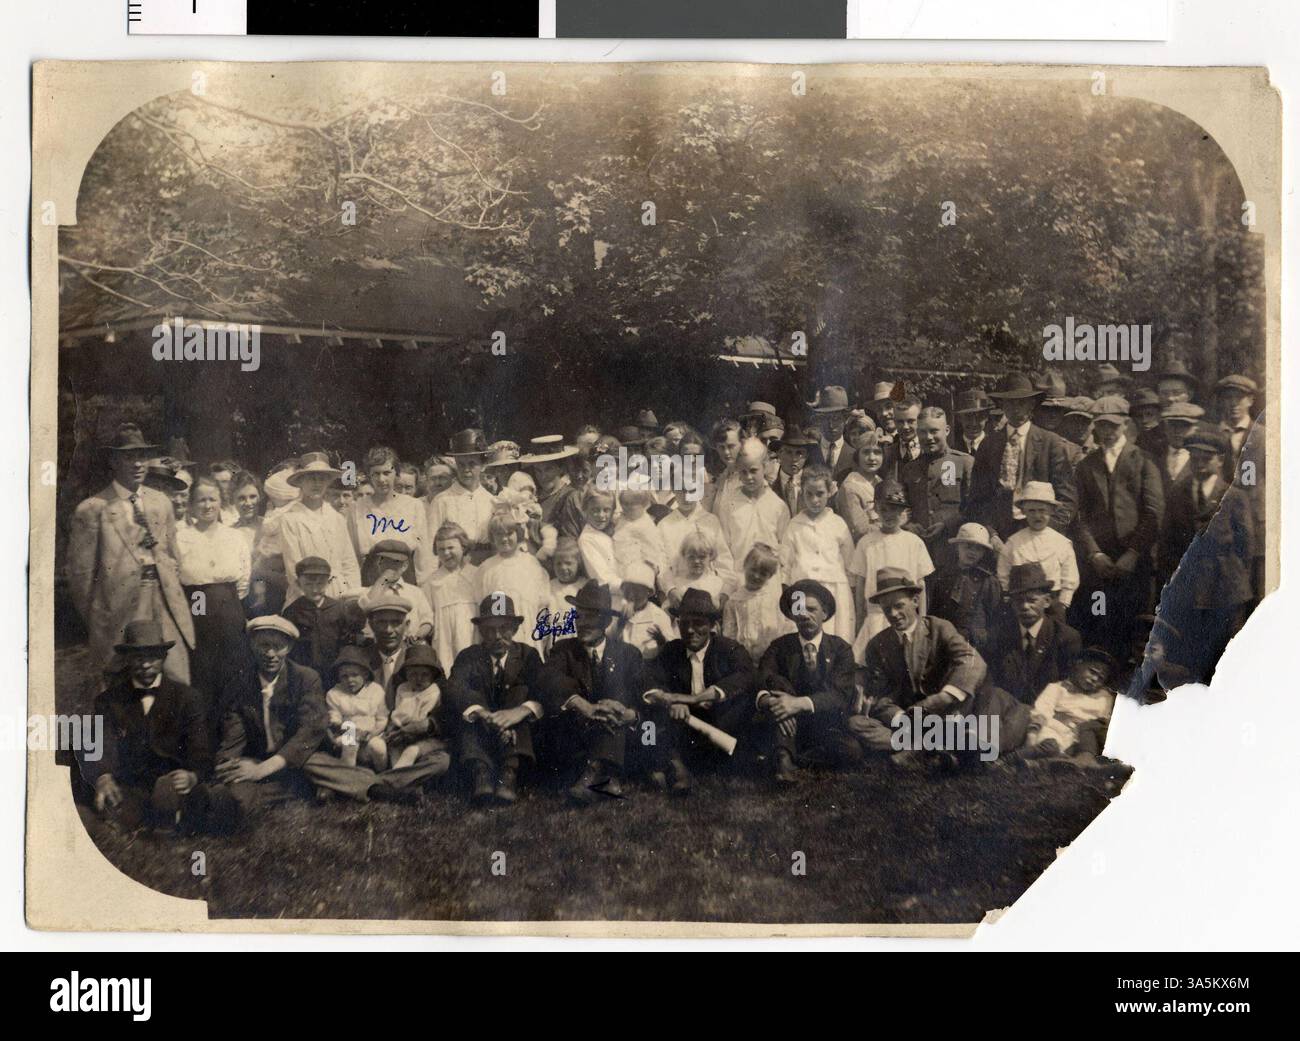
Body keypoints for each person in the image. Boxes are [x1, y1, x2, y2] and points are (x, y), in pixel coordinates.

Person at [206, 616, 416, 832]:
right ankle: (298, 789)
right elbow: (234, 733)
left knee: (312, 763)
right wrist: (229, 766)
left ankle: (378, 790)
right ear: (252, 645)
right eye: (264, 645)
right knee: (239, 787)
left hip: (299, 756)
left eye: (278, 647)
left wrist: (263, 769)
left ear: (289, 648)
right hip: (261, 758)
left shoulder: (305, 678)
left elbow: (309, 732)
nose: (271, 654)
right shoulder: (241, 683)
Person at [848, 568, 1029, 765]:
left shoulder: (938, 628)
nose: (893, 614)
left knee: (994, 704)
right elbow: (879, 694)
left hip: (947, 712)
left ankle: (925, 747)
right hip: (909, 720)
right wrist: (901, 717)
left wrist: (945, 696)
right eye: (887, 609)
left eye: (899, 606)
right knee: (856, 723)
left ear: (915, 601)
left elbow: (971, 659)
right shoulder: (877, 644)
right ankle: (931, 745)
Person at [67, 423, 195, 686]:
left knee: (177, 678)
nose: (138, 464)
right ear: (113, 461)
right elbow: (81, 579)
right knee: (124, 683)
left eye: (142, 456)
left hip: (163, 600)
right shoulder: (93, 509)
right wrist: (102, 618)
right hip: (120, 611)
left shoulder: (161, 502)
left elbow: (173, 556)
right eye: (129, 457)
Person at [76, 619, 212, 834]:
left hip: (172, 783)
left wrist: (192, 775)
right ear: (127, 659)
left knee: (187, 801)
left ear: (164, 657)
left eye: (152, 657)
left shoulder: (187, 697)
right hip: (130, 784)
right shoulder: (109, 700)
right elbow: (102, 741)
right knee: (108, 817)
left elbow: (201, 749)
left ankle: (168, 815)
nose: (146, 664)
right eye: (139, 657)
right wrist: (103, 776)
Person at [1158, 424, 1255, 682]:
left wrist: (1234, 577)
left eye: (1206, 458)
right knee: (1191, 648)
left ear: (1220, 459)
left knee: (1228, 647)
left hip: (1226, 585)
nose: (1200, 464)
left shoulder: (1233, 495)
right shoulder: (1178, 493)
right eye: (1194, 458)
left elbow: (1246, 546)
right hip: (1190, 585)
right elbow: (1167, 541)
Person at [537, 581, 647, 804]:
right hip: (580, 733)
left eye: (591, 617)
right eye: (578, 616)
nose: (583, 623)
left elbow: (642, 692)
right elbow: (548, 679)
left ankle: (594, 773)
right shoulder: (563, 650)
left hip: (620, 730)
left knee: (616, 712)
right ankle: (609, 778)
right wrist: (582, 705)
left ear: (607, 621)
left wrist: (630, 713)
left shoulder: (628, 653)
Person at [1070, 396, 1163, 650]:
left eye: (1113, 425)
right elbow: (1079, 516)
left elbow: (1154, 512)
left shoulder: (1144, 460)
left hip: (1135, 563)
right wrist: (1094, 554)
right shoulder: (1086, 465)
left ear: (1125, 424)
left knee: (1134, 623)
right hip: (1100, 565)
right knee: (1100, 619)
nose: (1107, 432)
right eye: (1101, 426)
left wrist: (1133, 554)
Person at [642, 588, 756, 795]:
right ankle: (675, 766)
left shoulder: (729, 649)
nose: (690, 630)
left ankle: (668, 764)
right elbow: (651, 678)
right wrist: (672, 701)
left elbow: (745, 676)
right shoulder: (672, 650)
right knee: (651, 717)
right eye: (684, 623)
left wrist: (696, 698)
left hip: (721, 725)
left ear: (713, 626)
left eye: (698, 623)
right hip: (684, 725)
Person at [755, 580, 864, 782]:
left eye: (812, 609)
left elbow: (840, 695)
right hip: (787, 722)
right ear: (792, 615)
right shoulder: (780, 646)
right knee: (777, 683)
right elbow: (763, 677)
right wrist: (773, 703)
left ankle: (789, 756)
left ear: (825, 613)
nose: (805, 615)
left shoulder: (841, 649)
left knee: (851, 751)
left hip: (825, 722)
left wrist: (798, 704)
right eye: (799, 610)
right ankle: (785, 760)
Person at [448, 594, 546, 805]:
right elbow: (455, 687)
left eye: (504, 628)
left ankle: (509, 773)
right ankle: (480, 772)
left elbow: (542, 690)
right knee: (468, 710)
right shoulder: (469, 656)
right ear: (481, 631)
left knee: (521, 693)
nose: (498, 635)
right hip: (482, 727)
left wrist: (517, 713)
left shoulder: (528, 655)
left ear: (515, 629)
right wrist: (482, 712)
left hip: (517, 731)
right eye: (490, 630)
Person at [175, 474, 252, 737]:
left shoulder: (234, 537)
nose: (207, 506)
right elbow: (180, 578)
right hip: (197, 605)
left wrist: (225, 605)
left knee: (233, 669)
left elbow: (243, 580)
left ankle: (232, 740)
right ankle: (203, 739)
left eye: (212, 499)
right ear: (191, 505)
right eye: (201, 500)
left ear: (221, 501)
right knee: (203, 670)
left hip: (229, 606)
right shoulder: (182, 537)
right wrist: (202, 613)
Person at [969, 373, 1077, 538]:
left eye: (1022, 402)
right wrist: (990, 533)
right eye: (1010, 403)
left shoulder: (1051, 443)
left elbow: (1067, 499)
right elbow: (978, 498)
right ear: (1002, 405)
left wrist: (1046, 532)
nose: (1016, 408)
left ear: (1031, 404)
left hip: (1040, 532)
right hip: (998, 533)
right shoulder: (989, 445)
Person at [849, 480, 933, 654]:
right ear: (876, 510)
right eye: (884, 509)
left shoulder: (913, 542)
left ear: (903, 512)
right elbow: (861, 585)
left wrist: (922, 619)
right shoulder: (867, 543)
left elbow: (921, 585)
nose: (888, 515)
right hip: (876, 616)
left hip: (907, 616)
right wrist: (859, 619)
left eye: (894, 509)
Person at [778, 463, 856, 643]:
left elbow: (850, 564)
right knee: (801, 638)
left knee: (835, 638)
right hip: (800, 591)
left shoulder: (838, 524)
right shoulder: (794, 525)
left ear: (829, 491)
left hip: (835, 589)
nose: (814, 500)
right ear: (802, 493)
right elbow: (785, 566)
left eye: (820, 493)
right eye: (809, 494)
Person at [986, 563, 1082, 705]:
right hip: (1006, 710)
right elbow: (991, 683)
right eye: (1018, 601)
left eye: (1032, 600)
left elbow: (1069, 686)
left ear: (1047, 601)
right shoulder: (998, 635)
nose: (1025, 606)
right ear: (1011, 603)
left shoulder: (1066, 638)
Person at [277, 452, 362, 603]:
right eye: (311, 478)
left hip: (338, 592)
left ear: (328, 482)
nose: (317, 483)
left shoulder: (337, 518)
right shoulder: (290, 519)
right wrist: (312, 600)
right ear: (301, 481)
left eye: (321, 478)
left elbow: (349, 563)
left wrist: (351, 596)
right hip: (306, 594)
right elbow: (293, 569)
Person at [899, 406, 972, 565]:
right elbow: (901, 507)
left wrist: (946, 525)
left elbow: (973, 507)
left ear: (946, 430)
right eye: (923, 432)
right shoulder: (909, 469)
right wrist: (909, 525)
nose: (928, 437)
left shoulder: (963, 462)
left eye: (934, 431)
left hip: (954, 550)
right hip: (919, 550)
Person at [352, 446, 434, 585]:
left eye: (386, 473)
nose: (381, 479)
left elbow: (423, 555)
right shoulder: (357, 507)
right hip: (370, 579)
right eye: (375, 474)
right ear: (369, 476)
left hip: (405, 577)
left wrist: (423, 587)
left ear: (396, 473)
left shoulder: (414, 506)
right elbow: (352, 555)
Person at [997, 482, 1079, 615]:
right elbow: (1003, 572)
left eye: (1042, 511)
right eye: (1032, 511)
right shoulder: (1013, 542)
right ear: (1023, 512)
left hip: (1053, 601)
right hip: (1022, 601)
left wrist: (1063, 601)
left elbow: (1070, 575)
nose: (1037, 516)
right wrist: (1007, 595)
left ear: (1052, 511)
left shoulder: (1062, 543)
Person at [1023, 647, 1117, 761]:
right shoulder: (1058, 688)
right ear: (1078, 665)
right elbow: (1042, 711)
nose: (1094, 679)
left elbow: (1103, 722)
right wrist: (1032, 736)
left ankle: (1063, 762)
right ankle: (1017, 757)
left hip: (1078, 741)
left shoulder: (1102, 699)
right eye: (1092, 671)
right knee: (1051, 746)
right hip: (1053, 731)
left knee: (1077, 753)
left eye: (1100, 678)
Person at [379, 643, 452, 786]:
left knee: (431, 758)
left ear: (432, 675)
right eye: (413, 674)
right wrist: (395, 727)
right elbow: (397, 712)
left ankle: (388, 782)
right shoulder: (402, 689)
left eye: (424, 674)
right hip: (401, 733)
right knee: (392, 749)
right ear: (406, 675)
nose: (418, 679)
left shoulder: (433, 691)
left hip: (427, 740)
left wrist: (406, 725)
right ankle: (401, 780)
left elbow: (421, 720)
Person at [477, 512, 552, 651]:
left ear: (518, 534)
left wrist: (542, 635)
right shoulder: (486, 568)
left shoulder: (531, 563)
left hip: (529, 630)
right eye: (499, 534)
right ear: (492, 538)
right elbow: (481, 606)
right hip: (500, 635)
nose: (504, 539)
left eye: (509, 533)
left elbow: (543, 605)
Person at [929, 522, 1003, 657]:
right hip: (946, 641)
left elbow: (995, 618)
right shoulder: (943, 576)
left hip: (976, 645)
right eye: (967, 546)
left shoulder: (988, 581)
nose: (972, 552)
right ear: (957, 546)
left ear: (984, 553)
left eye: (978, 549)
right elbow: (934, 611)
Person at [716, 436, 791, 568]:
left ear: (765, 467)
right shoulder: (728, 503)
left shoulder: (778, 505)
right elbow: (723, 547)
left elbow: (785, 548)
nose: (748, 477)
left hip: (770, 578)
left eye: (753, 471)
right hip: (739, 577)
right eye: (743, 472)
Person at [426, 429, 499, 564]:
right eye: (461, 464)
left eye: (472, 464)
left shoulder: (492, 501)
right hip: (453, 567)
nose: (466, 470)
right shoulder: (442, 501)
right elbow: (431, 545)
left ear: (483, 466)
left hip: (486, 566)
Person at [281, 556, 362, 678]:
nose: (314, 589)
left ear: (329, 582)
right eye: (308, 584)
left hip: (335, 672)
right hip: (305, 673)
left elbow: (348, 642)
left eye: (320, 584)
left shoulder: (339, 609)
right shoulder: (292, 612)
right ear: (298, 584)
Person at [722, 542, 793, 660]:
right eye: (753, 570)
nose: (756, 576)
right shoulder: (734, 601)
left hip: (771, 656)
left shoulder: (774, 600)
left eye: (763, 573)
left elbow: (784, 627)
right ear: (745, 566)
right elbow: (729, 633)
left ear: (770, 576)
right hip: (743, 657)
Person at [324, 646, 389, 770]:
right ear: (338, 676)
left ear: (365, 674)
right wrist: (344, 728)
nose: (350, 680)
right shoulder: (334, 693)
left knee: (379, 748)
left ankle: (382, 774)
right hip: (347, 731)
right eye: (344, 676)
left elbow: (382, 718)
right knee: (350, 744)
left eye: (355, 675)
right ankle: (348, 778)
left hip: (371, 734)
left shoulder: (375, 690)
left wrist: (371, 734)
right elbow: (334, 718)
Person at [426, 521, 479, 672]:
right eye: (441, 549)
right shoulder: (432, 581)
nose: (446, 553)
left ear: (463, 547)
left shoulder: (476, 574)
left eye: (450, 548)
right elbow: (427, 615)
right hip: (444, 640)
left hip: (472, 634)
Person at [359, 540, 435, 644]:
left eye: (395, 563)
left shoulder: (416, 592)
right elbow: (366, 607)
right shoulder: (371, 591)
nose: (389, 568)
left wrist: (417, 635)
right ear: (378, 564)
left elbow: (427, 620)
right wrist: (382, 581)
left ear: (405, 566)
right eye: (385, 562)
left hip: (411, 644)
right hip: (381, 645)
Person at [836, 431, 885, 544]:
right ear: (857, 455)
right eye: (866, 452)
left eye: (877, 452)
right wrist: (895, 524)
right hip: (861, 547)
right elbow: (859, 530)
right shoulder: (850, 486)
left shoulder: (879, 481)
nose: (872, 458)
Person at [617, 563, 672, 661]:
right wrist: (620, 624)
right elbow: (609, 641)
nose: (631, 595)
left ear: (649, 592)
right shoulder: (620, 612)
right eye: (627, 590)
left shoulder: (659, 616)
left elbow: (672, 650)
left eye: (637, 591)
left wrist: (661, 641)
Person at [613, 485, 668, 582]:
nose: (627, 508)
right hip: (620, 561)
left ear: (644, 505)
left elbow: (653, 548)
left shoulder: (646, 524)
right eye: (625, 504)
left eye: (633, 505)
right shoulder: (621, 518)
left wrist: (650, 565)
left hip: (640, 565)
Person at [806, 385, 852, 478]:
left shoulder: (855, 455)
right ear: (819, 420)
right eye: (826, 418)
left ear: (846, 419)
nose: (831, 425)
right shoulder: (807, 454)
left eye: (836, 418)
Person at [770, 425, 814, 518]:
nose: (794, 459)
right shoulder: (769, 484)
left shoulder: (813, 483)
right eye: (788, 452)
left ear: (806, 456)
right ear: (779, 454)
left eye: (799, 453)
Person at [953, 388, 993, 456]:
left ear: (986, 417)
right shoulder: (953, 451)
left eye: (979, 417)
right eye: (968, 417)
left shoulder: (995, 447)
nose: (973, 423)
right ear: (959, 418)